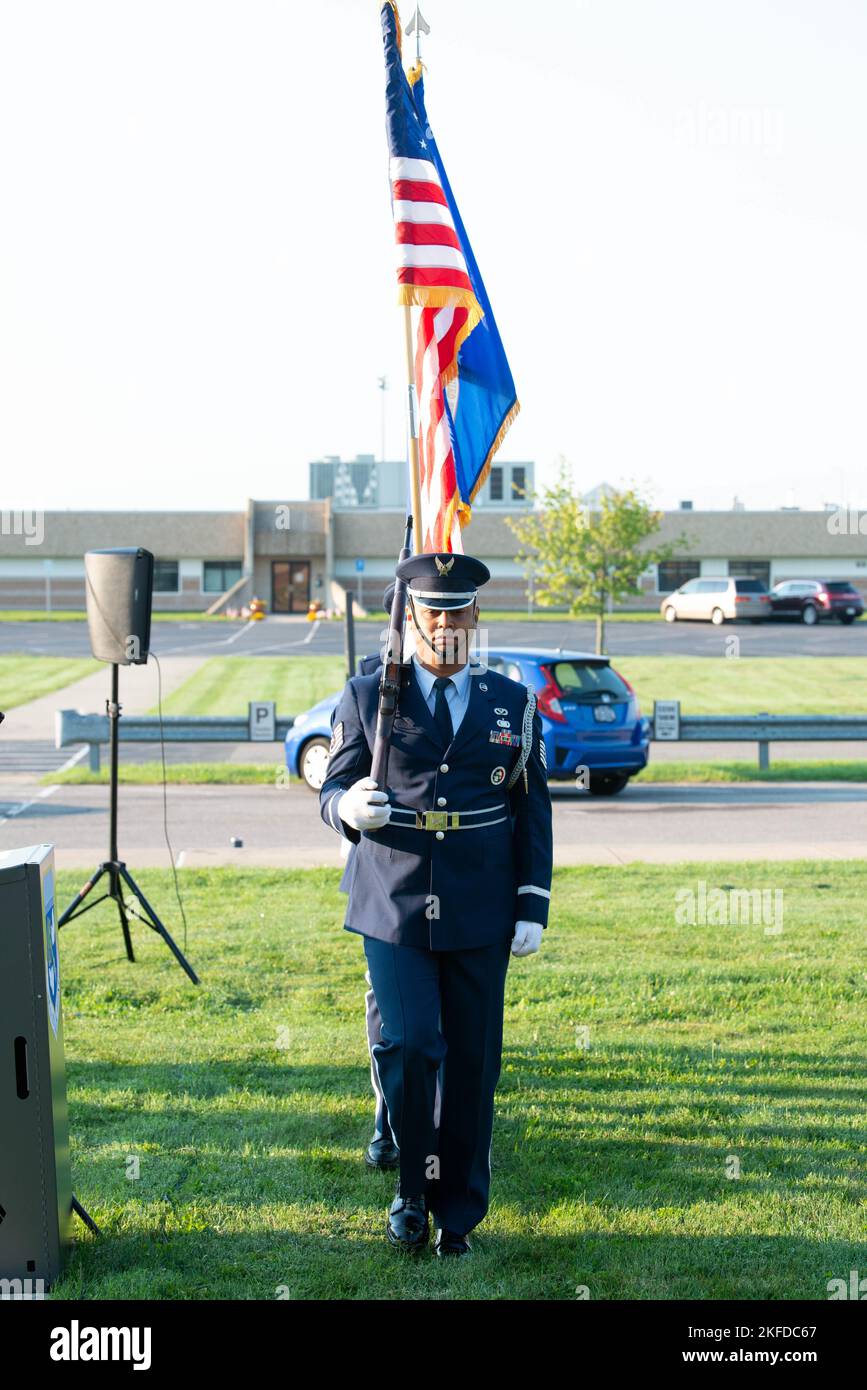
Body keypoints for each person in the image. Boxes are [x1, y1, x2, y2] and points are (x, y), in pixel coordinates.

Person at [319, 551, 553, 1256]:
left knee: (474, 1061)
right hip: (390, 897)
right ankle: (412, 1190)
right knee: (412, 1044)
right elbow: (332, 787)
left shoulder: (510, 703)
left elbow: (530, 810)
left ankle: (457, 1215)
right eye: (432, 613)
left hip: (479, 902)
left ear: (476, 618)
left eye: (458, 613)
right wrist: (347, 808)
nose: (446, 625)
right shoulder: (369, 696)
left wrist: (530, 904)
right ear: (412, 619)